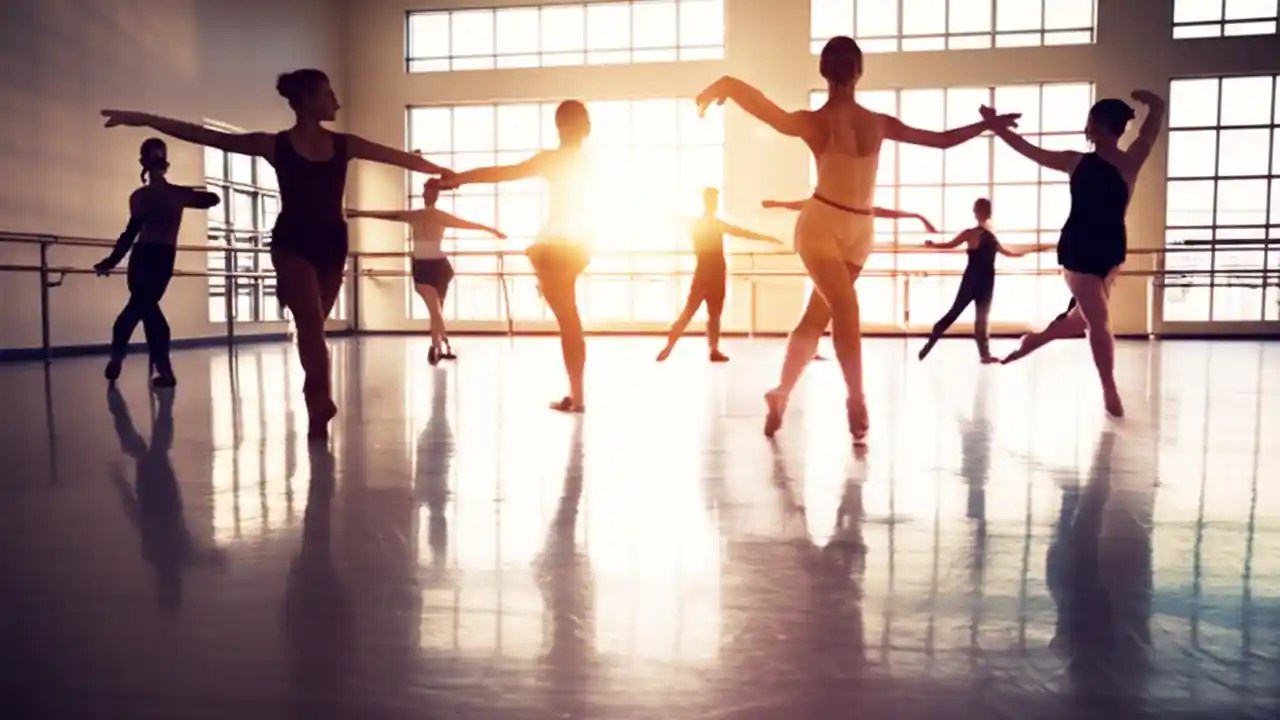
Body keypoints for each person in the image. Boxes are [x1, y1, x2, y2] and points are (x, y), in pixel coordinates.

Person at [695, 36, 1020, 441]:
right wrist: (727, 83)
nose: (847, 66)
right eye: (844, 60)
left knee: (818, 316)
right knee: (845, 308)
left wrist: (987, 126)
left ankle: (780, 393)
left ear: (844, 70)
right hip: (820, 227)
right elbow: (769, 112)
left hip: (859, 232)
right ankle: (856, 400)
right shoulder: (823, 123)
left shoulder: (873, 122)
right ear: (851, 70)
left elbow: (939, 140)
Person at [102, 68, 452, 438]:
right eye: (327, 93)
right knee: (312, 327)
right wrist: (142, 120)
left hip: (332, 244)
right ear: (306, 101)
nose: (336, 100)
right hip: (292, 243)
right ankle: (319, 401)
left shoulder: (345, 144)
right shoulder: (275, 145)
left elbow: (398, 158)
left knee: (312, 328)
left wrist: (445, 173)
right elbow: (208, 136)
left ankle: (311, 389)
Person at [987, 91, 1165, 418]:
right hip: (1078, 247)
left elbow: (1149, 133)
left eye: (1093, 121)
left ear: (1098, 125)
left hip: (1110, 249)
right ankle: (1109, 389)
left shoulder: (1128, 161)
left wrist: (1157, 106)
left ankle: (1036, 340)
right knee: (1098, 319)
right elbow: (1032, 152)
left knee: (1082, 318)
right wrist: (998, 130)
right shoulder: (1079, 162)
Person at [440, 100, 593, 412]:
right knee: (569, 315)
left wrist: (460, 178)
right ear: (586, 127)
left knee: (567, 316)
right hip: (576, 245)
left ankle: (577, 397)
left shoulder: (552, 160)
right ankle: (577, 394)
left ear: (560, 127)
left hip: (556, 247)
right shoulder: (589, 163)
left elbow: (503, 173)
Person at [95, 138, 219, 387]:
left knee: (140, 308)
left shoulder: (141, 196)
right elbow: (212, 199)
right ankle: (164, 371)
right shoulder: (175, 194)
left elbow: (130, 233)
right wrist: (182, 192)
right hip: (162, 258)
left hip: (142, 257)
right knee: (146, 309)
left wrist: (111, 261)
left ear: (143, 163)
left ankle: (120, 356)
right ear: (166, 164)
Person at [347, 178, 507, 365]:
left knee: (435, 310)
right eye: (425, 191)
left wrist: (493, 231)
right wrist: (357, 213)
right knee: (435, 309)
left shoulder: (440, 216)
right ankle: (441, 344)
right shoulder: (414, 215)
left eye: (430, 191)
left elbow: (468, 224)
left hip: (440, 268)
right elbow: (385, 214)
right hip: (423, 267)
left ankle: (438, 346)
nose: (426, 194)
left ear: (435, 194)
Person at [656, 187, 784, 363]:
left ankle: (708, 349)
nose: (715, 203)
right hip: (710, 272)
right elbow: (742, 232)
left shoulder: (701, 224)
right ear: (708, 201)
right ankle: (673, 347)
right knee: (698, 312)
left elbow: (738, 233)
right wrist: (768, 238)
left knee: (710, 313)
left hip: (710, 272)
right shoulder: (710, 223)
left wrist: (767, 238)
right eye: (714, 199)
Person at [917, 197, 1051, 363]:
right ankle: (931, 342)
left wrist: (1035, 249)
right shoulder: (972, 233)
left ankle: (984, 355)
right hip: (975, 279)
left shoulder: (989, 236)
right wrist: (933, 245)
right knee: (957, 312)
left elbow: (1009, 253)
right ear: (980, 213)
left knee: (981, 319)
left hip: (985, 281)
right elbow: (949, 245)